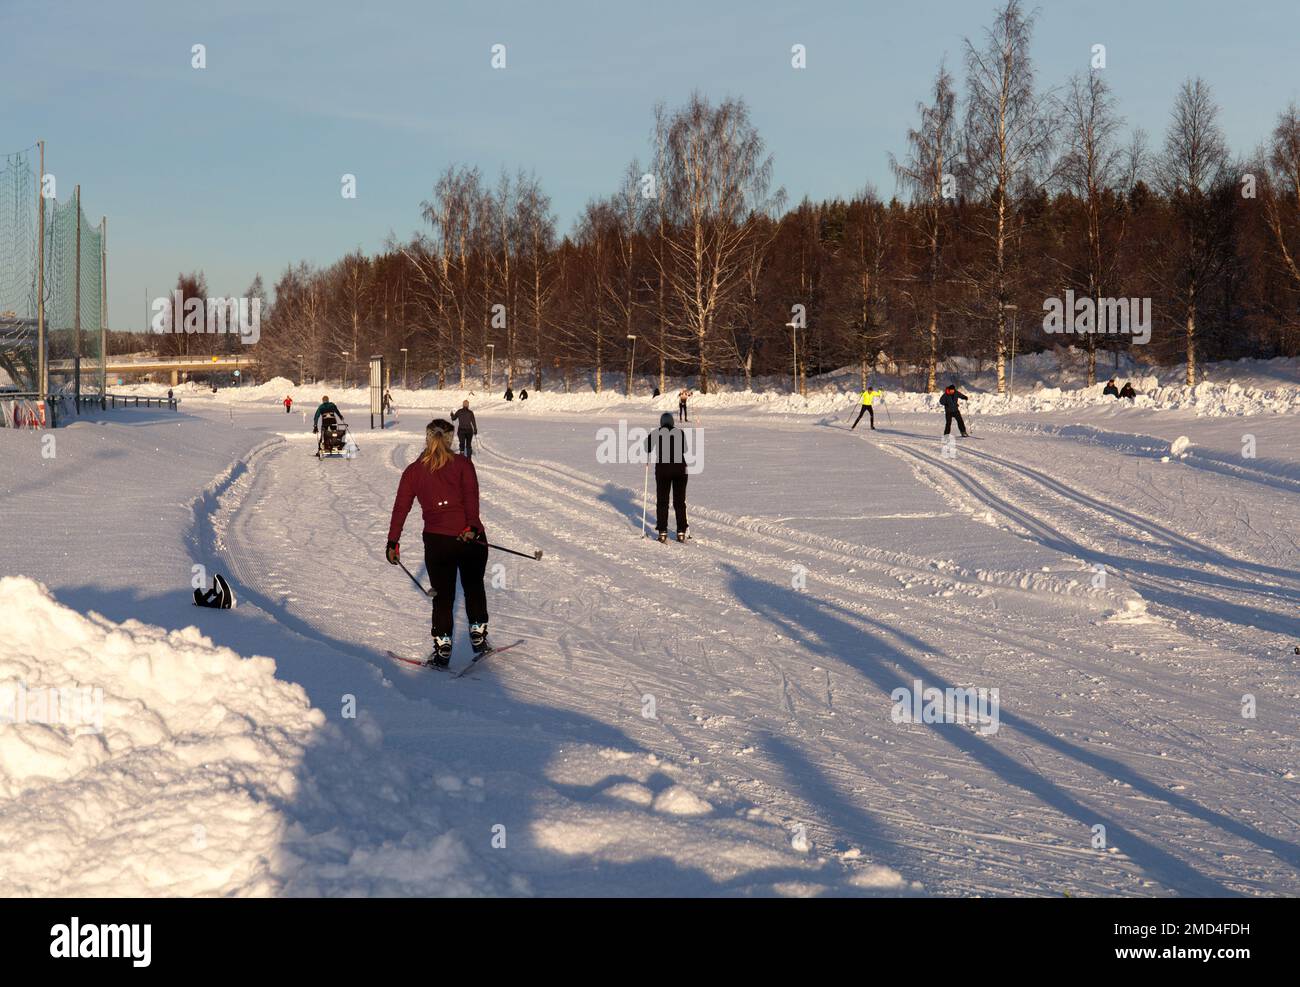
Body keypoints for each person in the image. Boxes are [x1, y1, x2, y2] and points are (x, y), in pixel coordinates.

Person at [386, 419, 489, 667]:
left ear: (427, 437)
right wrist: (472, 527)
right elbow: (471, 498)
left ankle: (442, 648)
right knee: (473, 585)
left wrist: (393, 541)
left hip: (437, 542)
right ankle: (478, 636)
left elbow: (401, 508)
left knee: (442, 596)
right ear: (450, 438)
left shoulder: (413, 471)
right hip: (470, 538)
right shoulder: (464, 464)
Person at [646, 411, 690, 543]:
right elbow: (685, 449)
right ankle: (681, 531)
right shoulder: (680, 432)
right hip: (680, 470)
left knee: (663, 501)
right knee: (679, 501)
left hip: (663, 470)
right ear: (672, 422)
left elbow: (646, 447)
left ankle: (663, 532)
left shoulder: (656, 432)